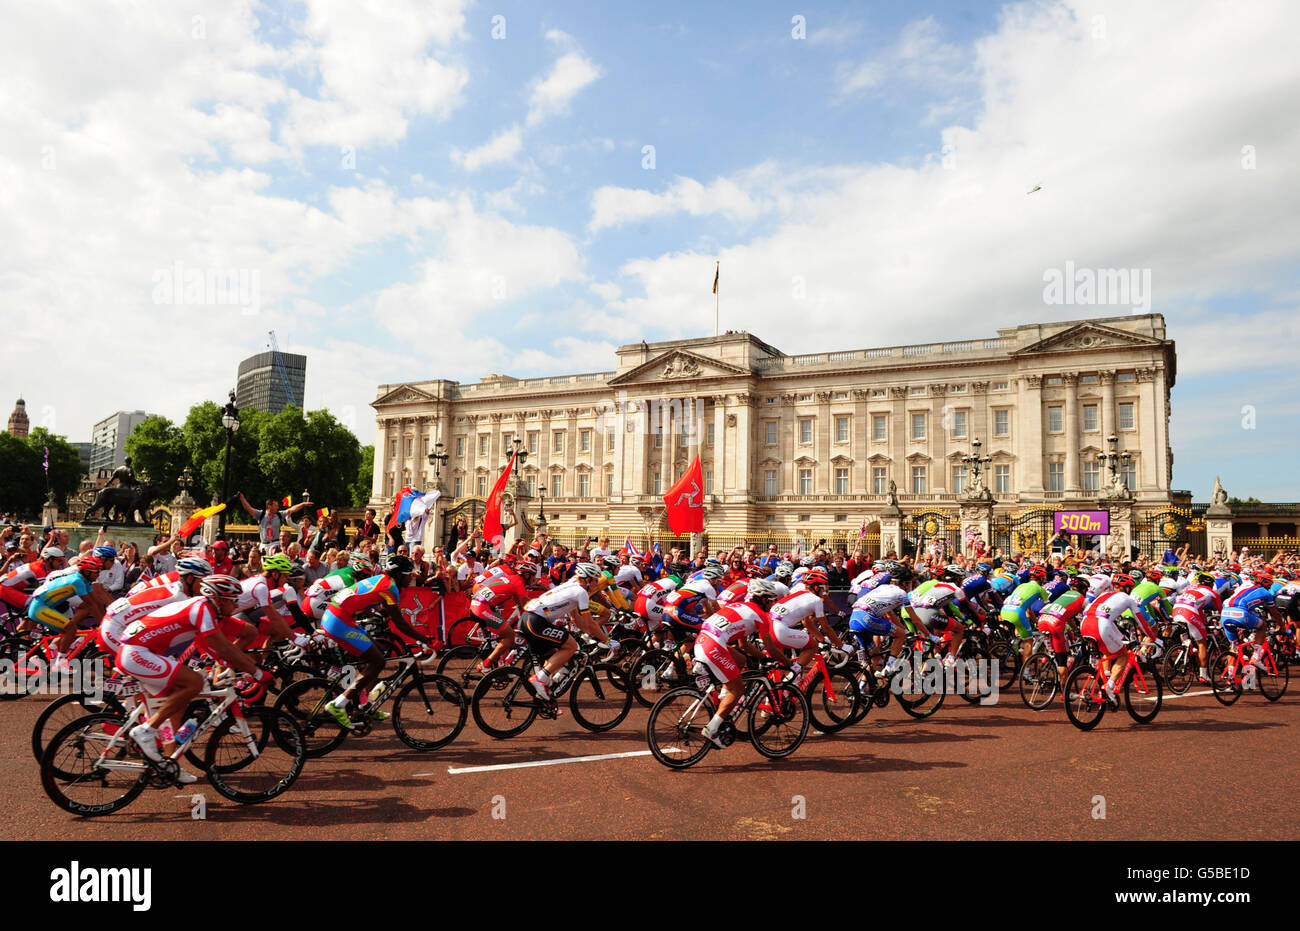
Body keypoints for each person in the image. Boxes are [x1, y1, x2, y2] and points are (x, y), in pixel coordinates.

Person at [120, 575, 271, 784]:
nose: (237, 604)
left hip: (142, 651)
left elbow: (239, 635)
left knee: (174, 707)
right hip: (137, 652)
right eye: (233, 600)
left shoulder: (209, 610)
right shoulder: (202, 610)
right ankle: (145, 729)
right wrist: (256, 672)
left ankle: (168, 763)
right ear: (219, 600)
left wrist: (235, 658)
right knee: (194, 683)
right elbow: (222, 647)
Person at [320, 555, 437, 727]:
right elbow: (400, 623)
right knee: (378, 661)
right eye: (408, 574)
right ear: (398, 575)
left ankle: (363, 704)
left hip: (337, 616)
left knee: (377, 655)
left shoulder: (382, 580)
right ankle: (339, 704)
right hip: (339, 620)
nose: (411, 577)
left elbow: (362, 598)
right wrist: (425, 639)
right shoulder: (390, 588)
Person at [696, 579, 785, 747]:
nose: (773, 603)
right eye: (772, 600)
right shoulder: (760, 616)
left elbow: (744, 645)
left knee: (741, 659)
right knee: (738, 689)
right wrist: (786, 663)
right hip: (713, 646)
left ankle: (724, 695)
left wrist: (763, 659)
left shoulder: (738, 606)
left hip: (702, 641)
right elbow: (771, 648)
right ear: (764, 599)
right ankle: (712, 729)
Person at [520, 562, 619, 699]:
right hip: (537, 621)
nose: (597, 584)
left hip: (528, 618)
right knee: (572, 647)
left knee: (555, 653)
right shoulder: (581, 592)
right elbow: (590, 622)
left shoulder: (571, 585)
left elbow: (575, 619)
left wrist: (588, 634)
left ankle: (544, 694)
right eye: (596, 580)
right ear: (588, 580)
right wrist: (607, 640)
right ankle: (540, 678)